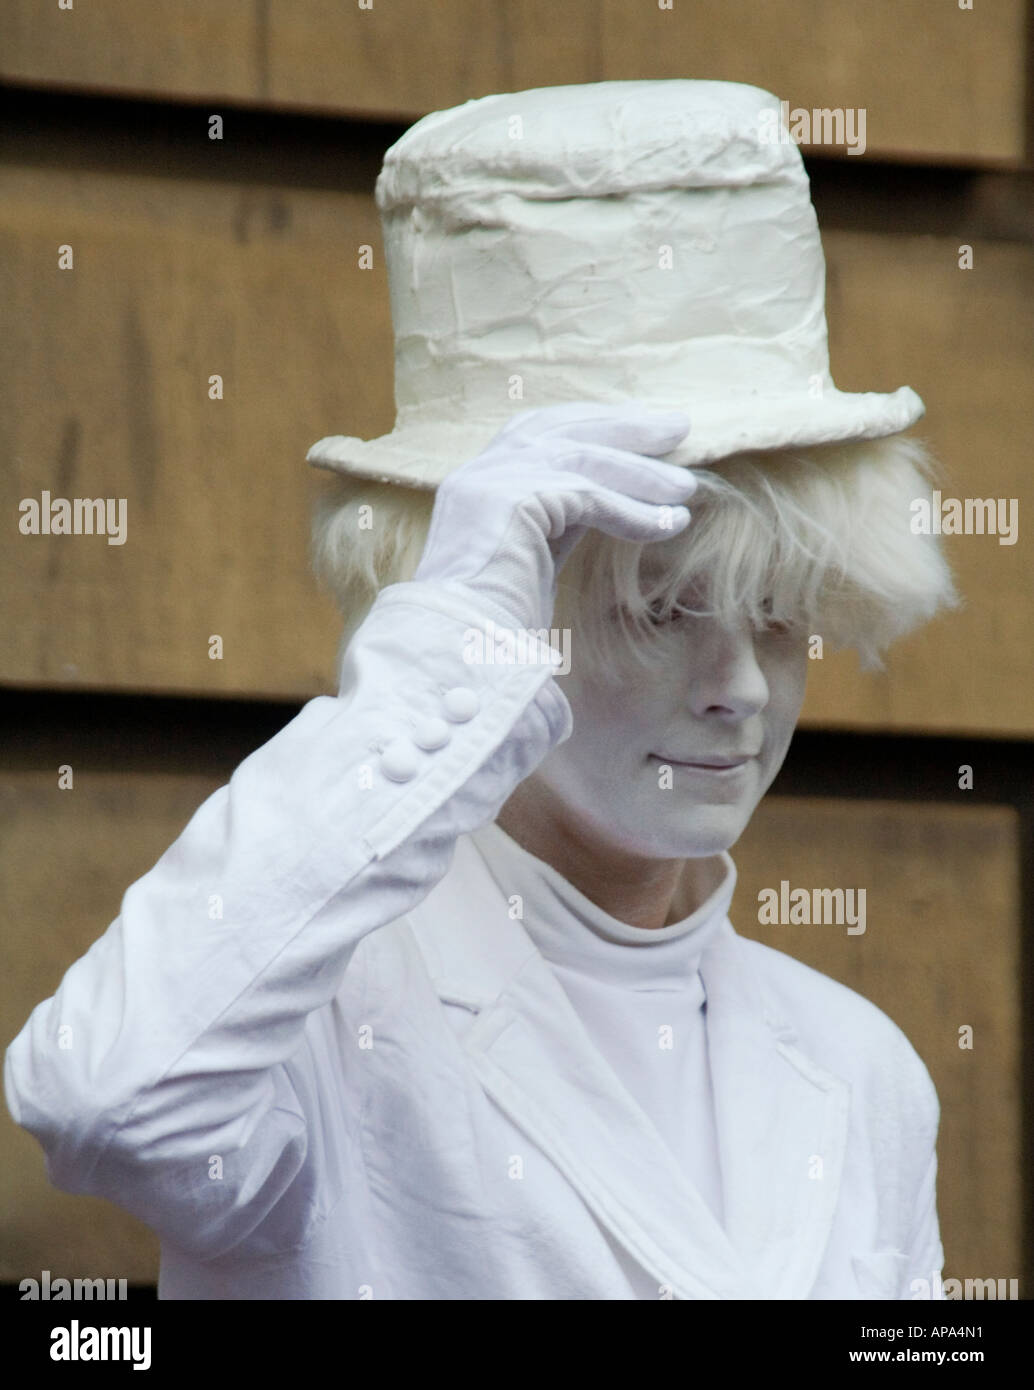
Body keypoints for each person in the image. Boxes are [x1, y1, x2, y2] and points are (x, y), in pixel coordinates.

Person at [5, 79, 956, 1300]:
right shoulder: (314, 1017)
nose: (736, 689)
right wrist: (434, 665)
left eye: (778, 616)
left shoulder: (856, 1068)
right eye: (656, 610)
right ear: (501, 607)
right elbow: (102, 1100)